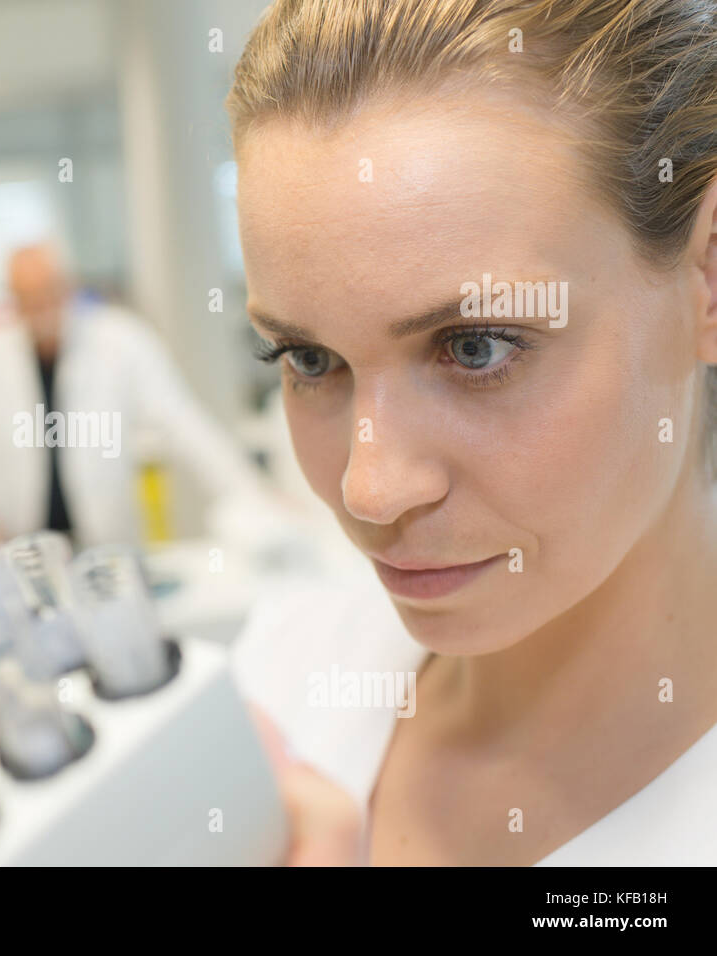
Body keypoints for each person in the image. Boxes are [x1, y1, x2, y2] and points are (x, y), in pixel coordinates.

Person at [227, 0, 717, 865]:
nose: (368, 490)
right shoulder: (270, 696)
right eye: (308, 359)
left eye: (475, 347)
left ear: (705, 276)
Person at [0, 242, 277, 548]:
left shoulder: (119, 340)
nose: (41, 309)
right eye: (28, 299)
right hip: (19, 544)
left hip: (105, 541)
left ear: (68, 287)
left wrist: (252, 494)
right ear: (12, 299)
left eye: (49, 294)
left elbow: (183, 423)